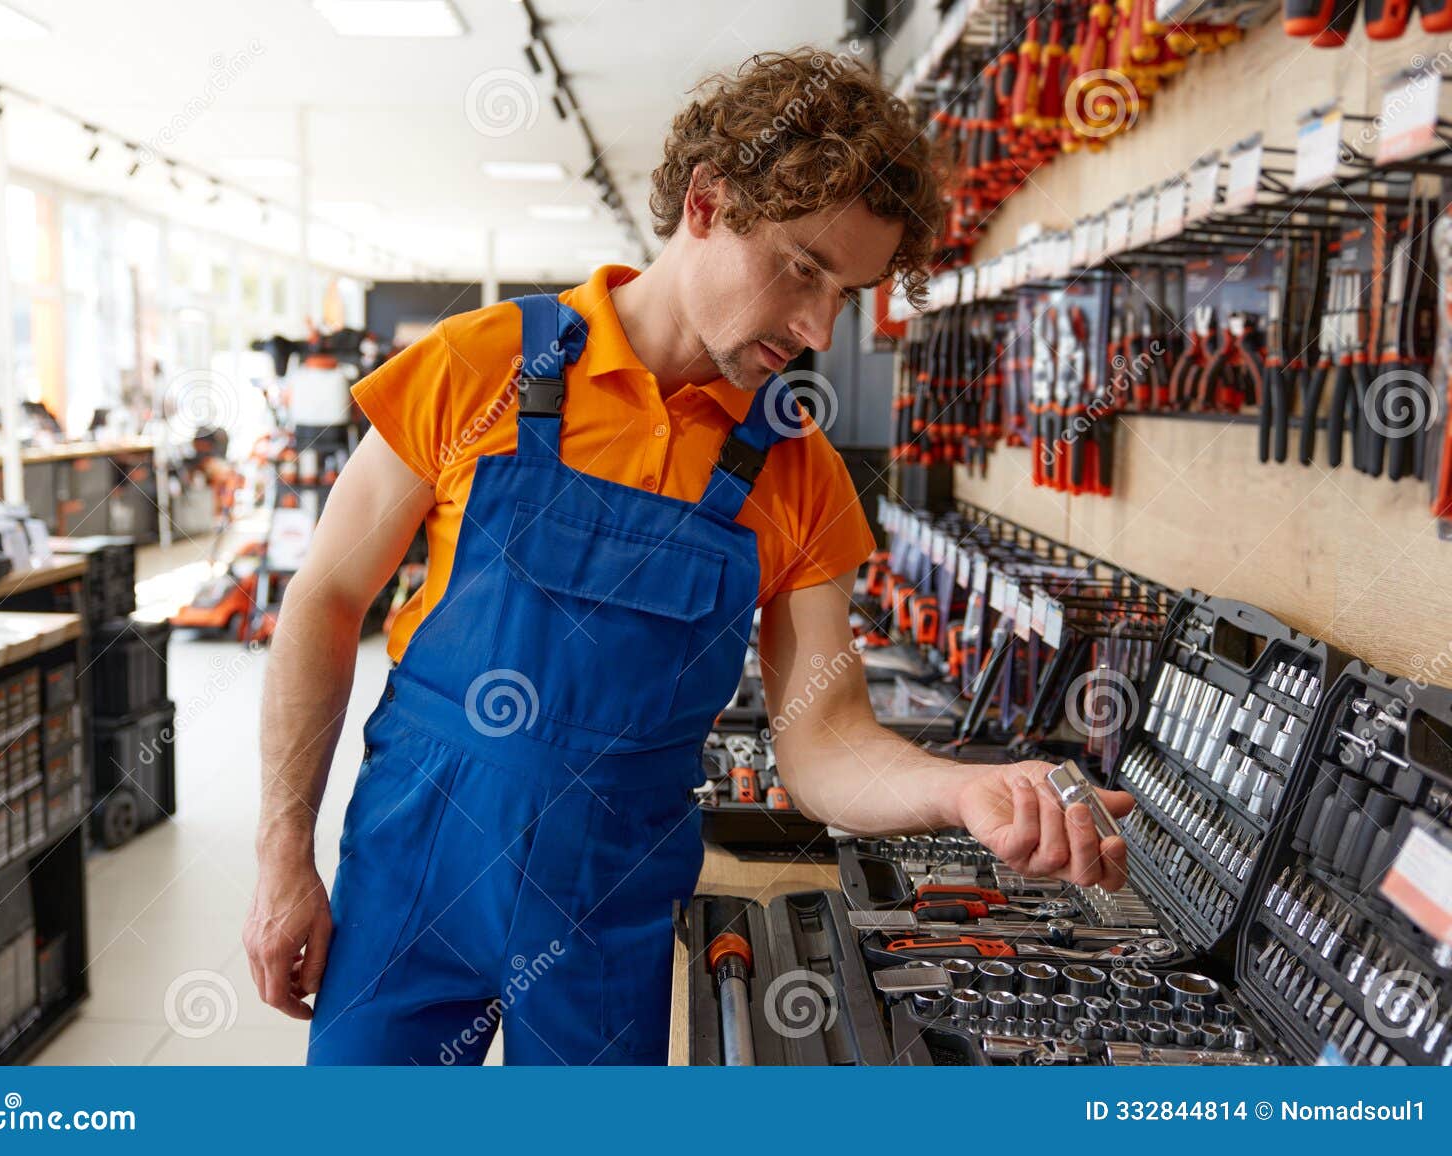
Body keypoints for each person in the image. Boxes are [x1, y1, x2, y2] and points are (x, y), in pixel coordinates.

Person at [244, 48, 1133, 1066]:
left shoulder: (797, 476)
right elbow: (324, 598)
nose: (813, 328)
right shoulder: (477, 364)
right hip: (413, 875)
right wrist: (281, 855)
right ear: (706, 202)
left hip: (605, 905)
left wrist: (961, 789)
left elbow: (822, 741)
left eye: (845, 291)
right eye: (802, 267)